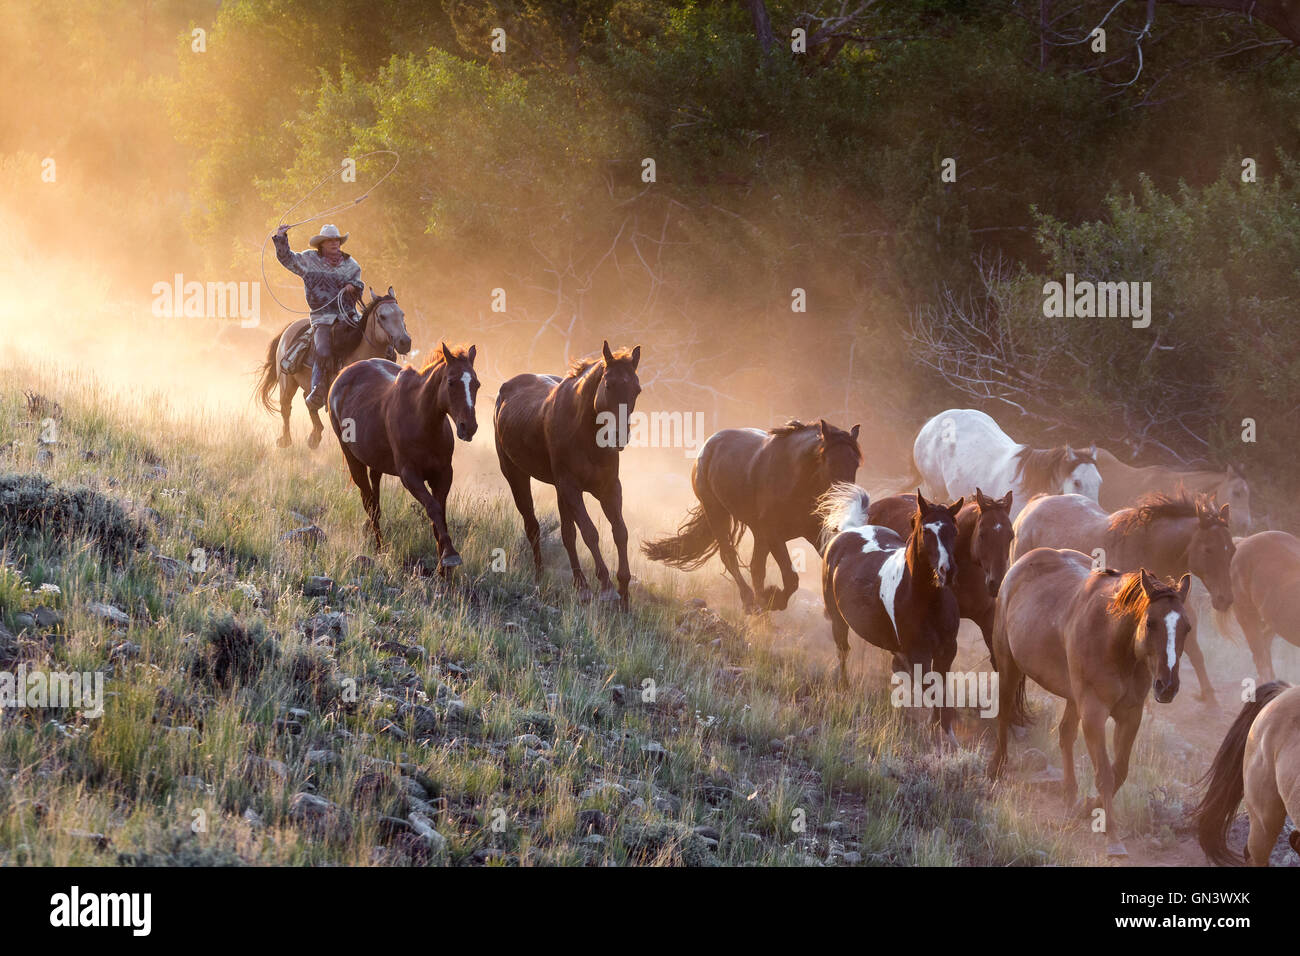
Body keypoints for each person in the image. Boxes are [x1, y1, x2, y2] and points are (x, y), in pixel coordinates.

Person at [272, 223, 364, 409]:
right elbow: (287, 259)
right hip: (323, 318)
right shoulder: (309, 260)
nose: (334, 243)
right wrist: (281, 238)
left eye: (337, 240)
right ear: (321, 244)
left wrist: (353, 287)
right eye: (330, 241)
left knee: (376, 337)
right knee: (322, 350)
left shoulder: (351, 264)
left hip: (349, 316)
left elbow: (359, 284)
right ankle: (317, 390)